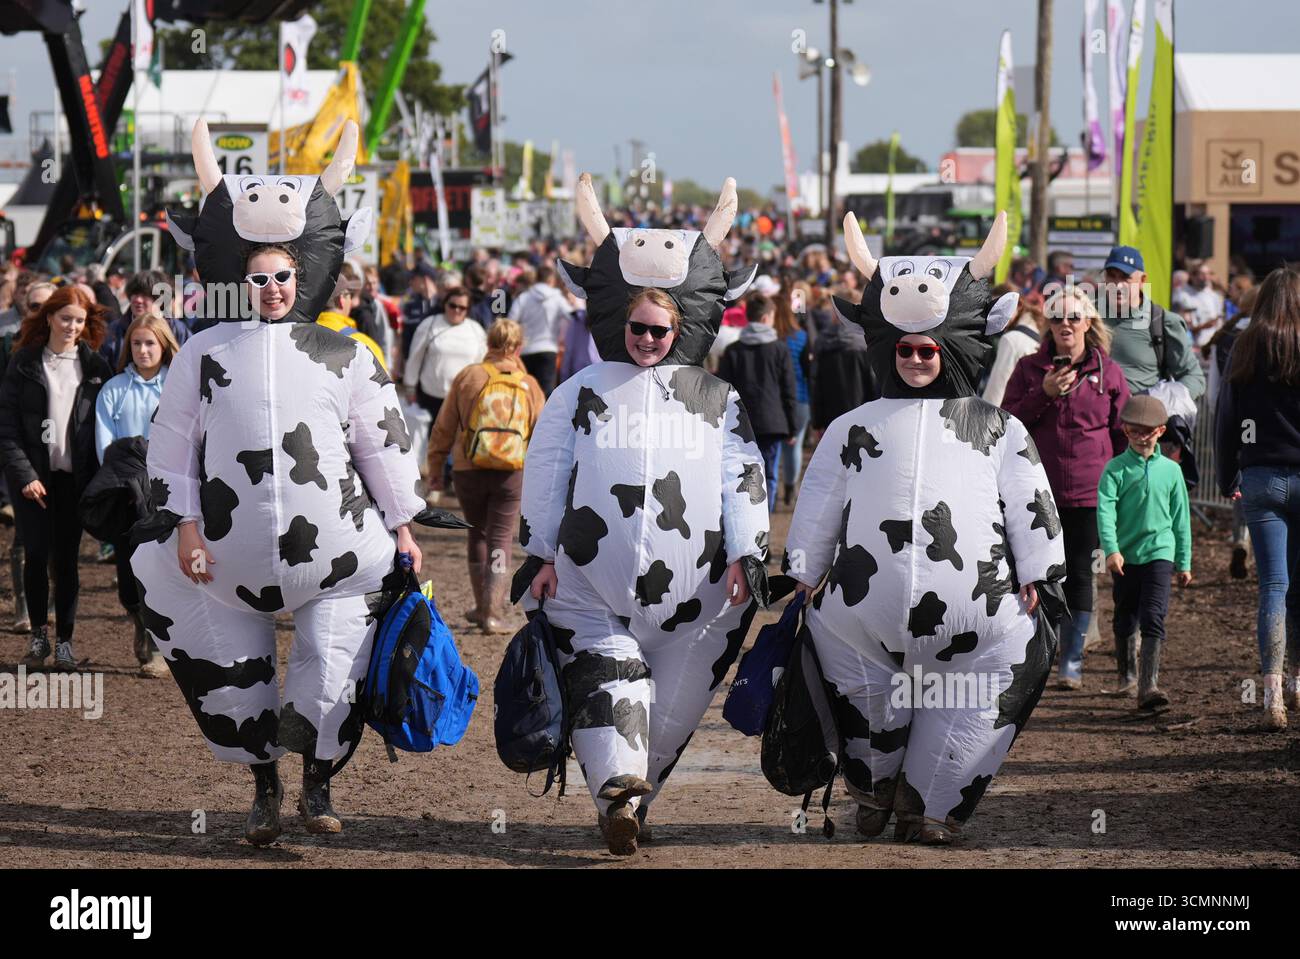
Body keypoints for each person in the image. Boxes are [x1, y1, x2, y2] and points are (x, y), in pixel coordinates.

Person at [130, 239, 431, 844]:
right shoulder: (201, 352)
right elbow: (171, 448)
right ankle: (264, 791)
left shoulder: (345, 353)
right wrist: (185, 527)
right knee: (235, 681)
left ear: (302, 278)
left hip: (337, 556)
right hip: (221, 555)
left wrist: (402, 526)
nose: (271, 288)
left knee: (333, 672)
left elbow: (381, 444)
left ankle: (317, 786)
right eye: (259, 277)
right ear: (239, 284)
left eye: (282, 276)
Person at [787, 211, 1065, 845]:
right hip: (863, 616)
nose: (917, 359)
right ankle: (873, 785)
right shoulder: (851, 427)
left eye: (929, 350)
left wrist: (1041, 572)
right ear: (886, 346)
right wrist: (802, 572)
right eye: (906, 349)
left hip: (980, 613)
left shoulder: (998, 427)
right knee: (863, 700)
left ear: (955, 347)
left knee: (975, 699)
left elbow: (1030, 499)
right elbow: (821, 501)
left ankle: (930, 802)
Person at [521, 175, 768, 855]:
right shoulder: (577, 391)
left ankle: (630, 799)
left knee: (673, 711)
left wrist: (749, 551)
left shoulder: (717, 396)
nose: (649, 339)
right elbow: (547, 473)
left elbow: (742, 474)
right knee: (606, 677)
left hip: (701, 595)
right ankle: (619, 793)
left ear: (680, 327)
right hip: (588, 585)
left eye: (661, 329)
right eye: (638, 327)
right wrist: (538, 553)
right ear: (617, 322)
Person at [1001, 286, 1130, 690]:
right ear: (1047, 325)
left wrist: (1122, 486)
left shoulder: (1108, 372)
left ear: (1088, 322)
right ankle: (1039, 651)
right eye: (1057, 318)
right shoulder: (1028, 368)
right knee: (1036, 572)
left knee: (1079, 575)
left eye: (1074, 317)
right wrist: (1044, 393)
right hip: (1040, 493)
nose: (1066, 324)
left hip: (1091, 493)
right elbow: (1008, 423)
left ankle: (1070, 661)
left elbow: (1122, 432)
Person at [0, 286, 112, 669]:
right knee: (35, 556)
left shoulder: (95, 367)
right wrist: (24, 475)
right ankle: (37, 639)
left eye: (79, 321)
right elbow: (8, 427)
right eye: (65, 318)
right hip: (33, 482)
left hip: (73, 481)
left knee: (66, 562)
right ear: (48, 317)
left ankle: (64, 642)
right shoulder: (24, 362)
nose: (72, 326)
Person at [1214, 266, 1300, 730]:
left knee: (1274, 587)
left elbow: (1226, 416)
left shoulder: (1244, 344)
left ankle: (1272, 697)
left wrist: (1228, 474)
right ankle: (1299, 684)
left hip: (1262, 478)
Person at [426, 318, 543, 633]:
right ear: (518, 348)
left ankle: (481, 607)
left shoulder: (469, 376)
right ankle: (493, 611)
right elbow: (544, 434)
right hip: (512, 473)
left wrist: (435, 469)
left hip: (468, 469)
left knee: (476, 533)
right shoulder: (529, 384)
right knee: (501, 538)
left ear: (488, 344)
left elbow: (443, 427)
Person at [93, 311, 179, 678]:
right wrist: (123, 483)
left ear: (164, 346)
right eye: (137, 344)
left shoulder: (176, 387)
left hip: (167, 496)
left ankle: (158, 645)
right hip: (127, 494)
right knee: (129, 574)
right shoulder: (113, 389)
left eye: (150, 343)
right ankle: (137, 620)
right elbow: (105, 443)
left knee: (164, 572)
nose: (143, 350)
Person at [1097, 395, 1193, 710]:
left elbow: (1181, 519)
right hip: (1125, 557)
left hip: (1159, 553)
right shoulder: (1115, 470)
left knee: (1154, 616)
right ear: (1124, 431)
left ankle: (1148, 686)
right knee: (1126, 617)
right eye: (1133, 431)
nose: (1140, 438)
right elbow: (1105, 512)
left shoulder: (1172, 471)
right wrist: (1111, 550)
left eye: (1147, 431)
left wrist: (1184, 561)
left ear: (1161, 431)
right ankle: (1127, 674)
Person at [1100, 245, 1205, 410]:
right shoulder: (1087, 317)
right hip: (1094, 428)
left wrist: (1158, 406)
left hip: (1139, 430)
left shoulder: (1163, 322)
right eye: (1112, 276)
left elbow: (1194, 378)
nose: (1117, 285)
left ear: (1142, 281)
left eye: (1125, 278)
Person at [717, 293, 796, 512]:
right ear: (766, 318)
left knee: (740, 474)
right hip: (773, 421)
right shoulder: (779, 349)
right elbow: (789, 390)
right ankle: (764, 525)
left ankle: (745, 519)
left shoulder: (733, 350)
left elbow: (723, 389)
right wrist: (792, 427)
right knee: (769, 474)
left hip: (740, 422)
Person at [403, 285, 488, 450]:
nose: (456, 310)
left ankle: (451, 474)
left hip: (463, 398)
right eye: (452, 305)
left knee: (458, 445)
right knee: (434, 443)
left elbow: (483, 364)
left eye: (462, 308)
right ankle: (434, 474)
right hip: (432, 396)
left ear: (468, 310)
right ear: (445, 304)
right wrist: (410, 388)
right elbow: (415, 357)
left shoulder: (476, 330)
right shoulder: (430, 324)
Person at [774, 275, 814, 505]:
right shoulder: (801, 336)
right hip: (799, 397)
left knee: (773, 446)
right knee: (794, 445)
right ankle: (790, 486)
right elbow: (809, 368)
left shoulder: (771, 338)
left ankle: (773, 483)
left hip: (774, 397)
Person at [508, 264, 571, 397]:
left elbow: (511, 321)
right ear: (551, 280)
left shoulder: (523, 297)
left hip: (526, 350)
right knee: (546, 392)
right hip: (548, 349)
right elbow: (572, 316)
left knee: (526, 391)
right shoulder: (557, 298)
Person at [981, 285, 1045, 407]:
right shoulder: (1040, 330)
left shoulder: (1011, 340)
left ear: (1019, 305)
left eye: (1002, 306)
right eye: (992, 309)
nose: (997, 314)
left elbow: (996, 391)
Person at [317, 264, 387, 371]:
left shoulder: (299, 336)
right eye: (350, 295)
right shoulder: (365, 346)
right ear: (341, 300)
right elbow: (384, 385)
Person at [1172, 260, 1225, 352]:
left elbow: (1219, 323)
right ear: (1192, 276)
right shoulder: (1181, 295)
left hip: (1211, 347)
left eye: (1208, 274)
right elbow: (1179, 326)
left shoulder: (1214, 296)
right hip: (1191, 348)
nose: (1206, 277)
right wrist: (1202, 327)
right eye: (1202, 274)